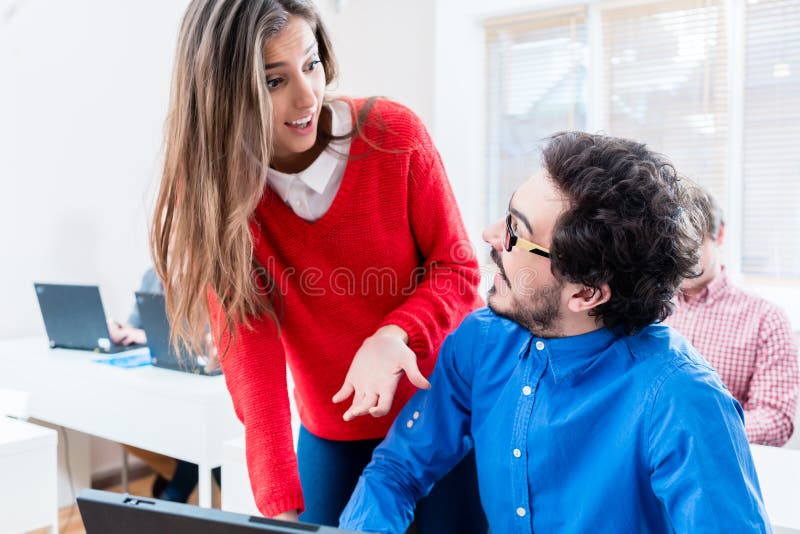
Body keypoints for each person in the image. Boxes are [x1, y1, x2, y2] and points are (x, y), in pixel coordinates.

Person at [150, 0, 485, 529]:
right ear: (224, 96)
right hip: (332, 433)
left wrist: (393, 335)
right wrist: (278, 501)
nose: (307, 96)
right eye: (273, 80)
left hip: (441, 415)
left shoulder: (394, 135)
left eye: (311, 64)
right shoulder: (225, 197)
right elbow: (250, 355)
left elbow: (459, 271)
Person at [339, 132, 771, 533]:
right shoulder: (481, 341)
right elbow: (396, 471)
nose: (490, 236)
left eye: (515, 232)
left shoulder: (682, 398)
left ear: (585, 293)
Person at [665, 185, 799, 446]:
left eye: (693, 242)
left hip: (723, 463)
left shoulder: (765, 319)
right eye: (674, 243)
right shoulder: (646, 308)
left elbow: (775, 418)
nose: (682, 254)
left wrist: (707, 432)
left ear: (720, 234)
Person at [110, 267, 222, 503]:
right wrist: (121, 330)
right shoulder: (151, 274)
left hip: (200, 380)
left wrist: (148, 337)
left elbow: (209, 340)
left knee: (203, 431)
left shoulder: (206, 273)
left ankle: (174, 494)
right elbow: (135, 323)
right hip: (163, 375)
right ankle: (175, 491)